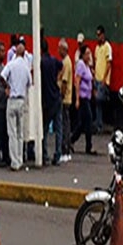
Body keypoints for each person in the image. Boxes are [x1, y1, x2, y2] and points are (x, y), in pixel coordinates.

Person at [1, 39, 32, 171]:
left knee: (12, 133)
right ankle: (20, 159)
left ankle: (14, 162)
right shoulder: (26, 67)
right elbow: (30, 83)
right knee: (20, 133)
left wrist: (7, 87)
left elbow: (2, 76)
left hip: (12, 99)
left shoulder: (11, 64)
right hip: (22, 100)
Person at [39, 36, 63, 165]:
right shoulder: (54, 60)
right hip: (56, 96)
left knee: (44, 129)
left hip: (47, 99)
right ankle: (57, 155)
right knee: (59, 128)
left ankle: (44, 154)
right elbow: (62, 66)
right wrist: (57, 78)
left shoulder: (41, 63)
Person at [93, 26, 112, 133]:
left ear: (103, 35)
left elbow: (109, 64)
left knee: (99, 100)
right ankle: (99, 123)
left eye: (99, 34)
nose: (98, 36)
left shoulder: (107, 47)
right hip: (97, 78)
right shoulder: (97, 48)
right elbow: (97, 62)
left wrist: (105, 79)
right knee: (97, 102)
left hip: (103, 80)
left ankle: (99, 125)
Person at [57, 38, 74, 162]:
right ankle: (66, 149)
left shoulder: (66, 63)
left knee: (64, 125)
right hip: (67, 98)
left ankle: (65, 149)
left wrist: (61, 95)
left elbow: (64, 82)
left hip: (64, 98)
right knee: (66, 124)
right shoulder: (67, 61)